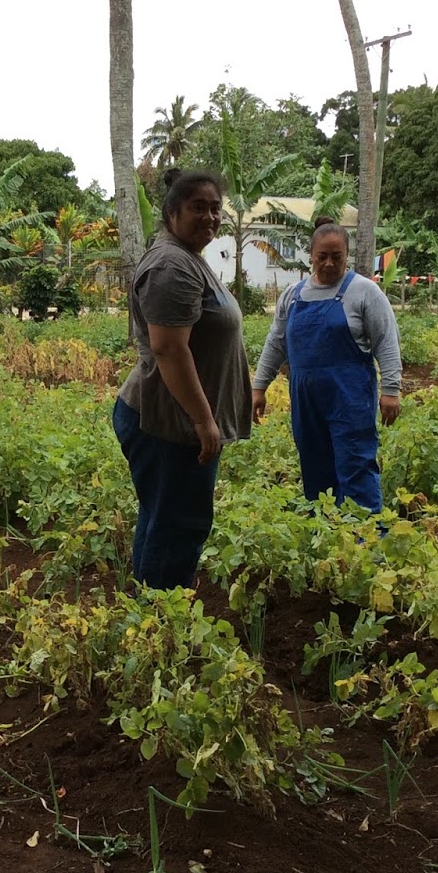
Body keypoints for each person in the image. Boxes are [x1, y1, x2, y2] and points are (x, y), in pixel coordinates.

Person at [113, 168, 251, 589]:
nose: (210, 217)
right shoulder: (172, 264)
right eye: (198, 208)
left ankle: (150, 615)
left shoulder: (186, 257)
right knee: (177, 526)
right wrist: (204, 420)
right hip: (170, 424)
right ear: (172, 211)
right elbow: (169, 348)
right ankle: (162, 620)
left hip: (174, 421)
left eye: (215, 208)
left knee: (164, 519)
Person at [252, 216, 401, 514]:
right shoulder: (293, 296)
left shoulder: (364, 292)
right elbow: (276, 342)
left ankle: (366, 536)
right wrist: (259, 386)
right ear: (311, 256)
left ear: (348, 256)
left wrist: (391, 389)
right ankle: (326, 532)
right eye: (323, 257)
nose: (330, 264)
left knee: (355, 462)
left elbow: (387, 340)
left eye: (337, 257)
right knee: (314, 463)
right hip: (306, 400)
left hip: (349, 398)